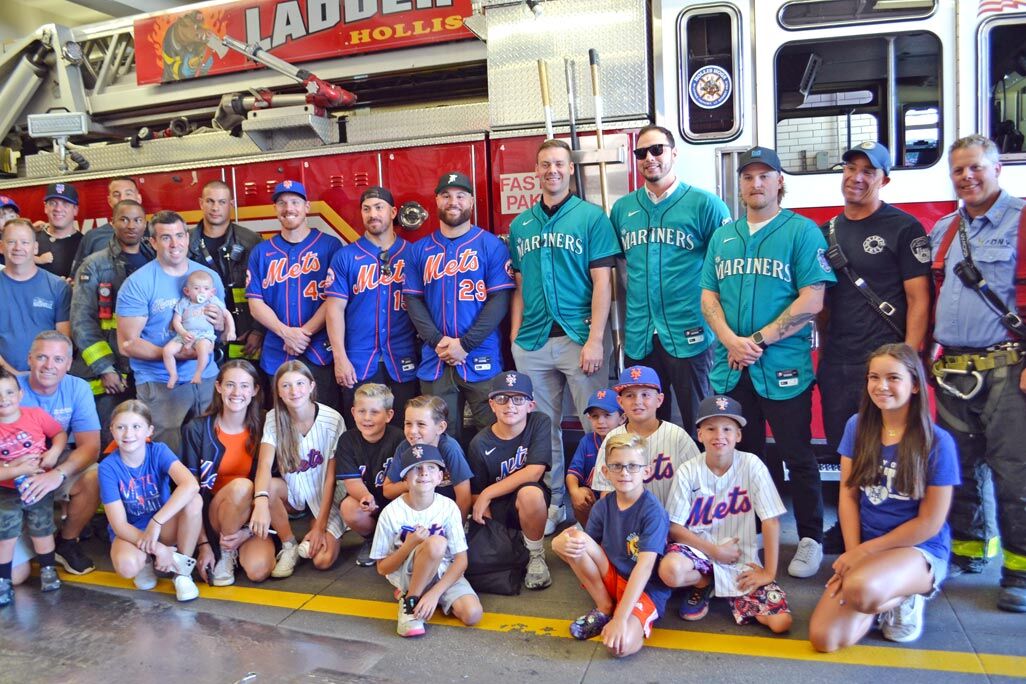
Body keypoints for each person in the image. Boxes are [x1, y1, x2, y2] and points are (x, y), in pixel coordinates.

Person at [700, 145, 836, 579]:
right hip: (732, 367)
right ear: (739, 185)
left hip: (784, 368)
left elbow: (813, 298)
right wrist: (729, 340)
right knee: (749, 455)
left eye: (764, 176)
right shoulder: (724, 236)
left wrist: (755, 341)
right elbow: (708, 295)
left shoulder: (802, 232)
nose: (755, 184)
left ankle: (811, 536)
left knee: (798, 454)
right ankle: (754, 530)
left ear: (780, 182)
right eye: (748, 176)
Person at [928, 134, 1026, 611]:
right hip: (952, 369)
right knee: (959, 469)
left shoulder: (1022, 220)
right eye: (958, 171)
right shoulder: (945, 229)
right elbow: (931, 296)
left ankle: (1019, 572)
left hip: (1008, 366)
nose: (966, 177)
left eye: (975, 168)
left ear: (997, 168)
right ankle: (969, 552)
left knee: (1015, 472)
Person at [817, 142, 931, 553]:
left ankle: (890, 530)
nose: (857, 177)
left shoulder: (904, 228)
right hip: (840, 360)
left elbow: (919, 298)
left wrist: (910, 359)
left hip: (886, 363)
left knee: (890, 446)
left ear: (884, 179)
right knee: (844, 447)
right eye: (850, 168)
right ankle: (849, 526)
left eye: (868, 171)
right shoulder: (827, 230)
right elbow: (823, 302)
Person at [809, 344, 959, 650]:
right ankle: (876, 595)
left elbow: (930, 523)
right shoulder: (858, 426)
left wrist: (863, 555)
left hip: (917, 549)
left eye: (893, 378)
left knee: (862, 589)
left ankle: (907, 597)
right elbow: (848, 497)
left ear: (915, 384)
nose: (882, 386)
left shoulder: (939, 442)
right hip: (868, 548)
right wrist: (854, 554)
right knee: (825, 639)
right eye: (874, 377)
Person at [509, 139, 620, 534]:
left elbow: (603, 282)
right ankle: (556, 499)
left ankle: (602, 503)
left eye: (559, 164)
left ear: (571, 170)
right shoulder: (520, 225)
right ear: (536, 171)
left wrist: (595, 339)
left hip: (579, 338)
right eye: (544, 164)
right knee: (543, 427)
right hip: (535, 341)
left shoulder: (592, 218)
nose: (551, 170)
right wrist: (515, 338)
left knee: (599, 426)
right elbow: (520, 286)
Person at [610, 125, 730, 432]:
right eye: (641, 153)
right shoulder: (623, 209)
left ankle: (698, 481)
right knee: (645, 424)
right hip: (641, 334)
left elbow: (724, 271)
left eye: (657, 150)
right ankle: (651, 480)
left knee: (699, 422)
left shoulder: (706, 204)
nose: (649, 158)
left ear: (673, 153)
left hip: (691, 333)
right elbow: (622, 268)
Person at [659, 395, 792, 633]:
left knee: (780, 624)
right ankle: (704, 581)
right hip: (698, 551)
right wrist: (714, 551)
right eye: (710, 428)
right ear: (700, 435)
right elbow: (675, 527)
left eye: (727, 429)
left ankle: (722, 587)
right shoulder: (688, 470)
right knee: (670, 571)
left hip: (738, 557)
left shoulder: (752, 465)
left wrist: (768, 572)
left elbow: (771, 520)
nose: (719, 435)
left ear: (738, 435)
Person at [403, 172, 514, 441]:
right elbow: (413, 300)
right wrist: (439, 341)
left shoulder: (491, 245)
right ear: (437, 202)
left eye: (460, 196)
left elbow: (499, 301)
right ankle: (443, 484)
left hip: (481, 356)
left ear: (471, 202)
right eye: (446, 195)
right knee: (437, 436)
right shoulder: (419, 250)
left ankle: (488, 485)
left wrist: (465, 345)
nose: (454, 201)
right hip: (435, 358)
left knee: (494, 434)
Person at [551, 432, 671, 658]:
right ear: (605, 472)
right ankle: (604, 607)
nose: (624, 472)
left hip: (644, 588)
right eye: (616, 466)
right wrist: (559, 543)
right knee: (573, 540)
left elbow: (644, 568)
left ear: (647, 471)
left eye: (633, 466)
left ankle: (619, 612)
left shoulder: (653, 512)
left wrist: (621, 619)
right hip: (613, 575)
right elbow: (585, 545)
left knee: (619, 647)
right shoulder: (602, 506)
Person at [116, 210, 226, 454]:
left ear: (187, 237)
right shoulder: (138, 284)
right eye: (166, 238)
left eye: (179, 235)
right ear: (153, 242)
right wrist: (174, 354)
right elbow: (127, 343)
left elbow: (219, 330)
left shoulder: (209, 279)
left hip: (206, 378)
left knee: (211, 449)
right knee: (168, 455)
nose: (175, 244)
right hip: (160, 382)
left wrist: (220, 323)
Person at [326, 186, 418, 429]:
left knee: (403, 427)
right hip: (358, 358)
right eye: (366, 209)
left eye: (379, 208)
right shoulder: (346, 256)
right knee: (361, 428)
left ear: (393, 212)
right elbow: (334, 308)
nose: (372, 214)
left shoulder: (413, 254)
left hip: (403, 355)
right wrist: (340, 358)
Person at [370, 442, 483, 637]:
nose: (423, 473)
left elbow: (461, 560)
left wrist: (435, 594)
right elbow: (382, 568)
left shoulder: (448, 507)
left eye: (431, 468)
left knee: (472, 614)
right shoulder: (391, 513)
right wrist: (409, 545)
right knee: (436, 543)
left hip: (442, 572)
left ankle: (426, 598)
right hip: (409, 573)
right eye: (416, 468)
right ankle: (411, 601)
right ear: (405, 478)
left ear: (440, 477)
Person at [246, 180, 343, 407]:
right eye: (281, 203)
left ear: (307, 207)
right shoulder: (261, 251)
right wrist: (286, 333)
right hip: (277, 350)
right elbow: (255, 303)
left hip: (319, 350)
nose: (288, 208)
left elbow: (335, 299)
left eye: (294, 202)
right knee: (281, 419)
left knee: (324, 417)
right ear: (275, 209)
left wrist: (302, 334)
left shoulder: (330, 246)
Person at [99, 399, 203, 602]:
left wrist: (156, 522)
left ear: (149, 430)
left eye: (136, 427)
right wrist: (159, 549)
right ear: (112, 430)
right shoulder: (107, 467)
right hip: (132, 531)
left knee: (194, 501)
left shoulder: (159, 451)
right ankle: (146, 560)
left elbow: (191, 484)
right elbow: (119, 525)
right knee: (127, 566)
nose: (128, 434)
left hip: (162, 524)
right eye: (121, 427)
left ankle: (182, 572)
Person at [250, 361, 346, 578]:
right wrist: (261, 501)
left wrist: (320, 526)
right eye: (286, 386)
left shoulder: (332, 419)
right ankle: (289, 544)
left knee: (322, 560)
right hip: (293, 493)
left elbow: (331, 477)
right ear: (278, 392)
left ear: (312, 386)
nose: (294, 391)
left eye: (300, 383)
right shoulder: (273, 419)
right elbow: (264, 464)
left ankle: (316, 526)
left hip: (326, 495)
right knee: (270, 487)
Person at [182, 360, 273, 586]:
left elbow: (276, 483)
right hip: (214, 515)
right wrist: (203, 545)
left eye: (244, 386)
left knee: (258, 570)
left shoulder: (265, 424)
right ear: (219, 387)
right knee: (242, 486)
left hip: (253, 517)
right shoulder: (197, 428)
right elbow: (190, 495)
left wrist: (248, 533)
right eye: (230, 385)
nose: (236, 392)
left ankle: (237, 545)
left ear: (255, 390)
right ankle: (224, 550)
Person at [18, 331, 102, 576]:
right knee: (17, 576)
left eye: (57, 359)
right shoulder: (10, 390)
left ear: (68, 364)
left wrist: (57, 474)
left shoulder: (78, 388)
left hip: (57, 460)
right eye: (41, 357)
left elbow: (91, 446)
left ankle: (66, 542)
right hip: (14, 470)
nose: (48, 366)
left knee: (95, 475)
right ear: (29, 359)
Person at [71, 199, 153, 447]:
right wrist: (105, 368)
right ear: (112, 223)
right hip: (112, 375)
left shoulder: (155, 261)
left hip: (146, 370)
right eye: (124, 219)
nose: (131, 226)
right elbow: (82, 322)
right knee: (110, 441)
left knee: (146, 437)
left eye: (137, 220)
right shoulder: (94, 265)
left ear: (145, 224)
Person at [467, 371, 553, 590]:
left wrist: (488, 492)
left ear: (530, 405)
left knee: (530, 492)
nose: (510, 405)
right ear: (492, 405)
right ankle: (511, 549)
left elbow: (534, 471)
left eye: (518, 399)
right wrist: (496, 535)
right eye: (501, 399)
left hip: (529, 503)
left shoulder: (539, 422)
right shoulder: (479, 443)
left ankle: (536, 555)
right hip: (497, 509)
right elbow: (477, 495)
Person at [0, 367, 68, 606]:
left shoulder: (35, 415)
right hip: (6, 491)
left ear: (20, 394)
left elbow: (58, 433)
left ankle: (48, 568)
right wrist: (17, 469)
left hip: (38, 486)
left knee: (42, 528)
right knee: (5, 534)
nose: (4, 399)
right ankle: (3, 579)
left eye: (9, 392)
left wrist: (55, 451)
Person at [590, 366, 701, 509]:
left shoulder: (678, 436)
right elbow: (606, 491)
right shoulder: (612, 438)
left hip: (673, 521)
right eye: (630, 395)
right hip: (627, 521)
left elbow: (698, 487)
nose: (637, 401)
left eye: (645, 395)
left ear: (659, 400)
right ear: (620, 402)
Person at [187, 180, 264, 363]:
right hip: (198, 334)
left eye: (222, 202)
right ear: (201, 203)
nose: (215, 207)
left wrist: (258, 329)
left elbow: (265, 289)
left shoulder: (251, 242)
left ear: (231, 204)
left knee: (243, 387)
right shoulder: (185, 242)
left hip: (244, 335)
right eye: (210, 201)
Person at [336, 383, 406, 567]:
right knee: (349, 508)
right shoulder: (347, 440)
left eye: (374, 412)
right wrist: (365, 496)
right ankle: (373, 540)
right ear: (353, 412)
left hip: (396, 504)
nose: (367, 418)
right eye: (361, 411)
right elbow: (352, 481)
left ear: (388, 415)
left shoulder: (400, 439)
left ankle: (396, 542)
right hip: (369, 506)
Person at [381, 395, 473, 519]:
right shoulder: (405, 447)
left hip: (446, 514)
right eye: (408, 424)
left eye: (421, 424)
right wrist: (415, 483)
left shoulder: (449, 449)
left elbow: (464, 498)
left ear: (440, 427)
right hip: (415, 514)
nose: (412, 431)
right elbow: (387, 491)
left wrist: (455, 532)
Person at [0, 219, 71, 374]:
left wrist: (41, 375)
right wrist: (14, 375)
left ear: (35, 247)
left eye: (25, 242)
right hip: (2, 382)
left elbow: (63, 341)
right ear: (1, 246)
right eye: (11, 241)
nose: (18, 247)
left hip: (47, 378)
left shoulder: (58, 286)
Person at [163, 270, 235, 388]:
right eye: (196, 288)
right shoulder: (184, 303)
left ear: (212, 292)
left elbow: (227, 315)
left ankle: (198, 373)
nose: (201, 292)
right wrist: (183, 332)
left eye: (206, 289)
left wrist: (231, 331)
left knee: (203, 350)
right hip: (184, 335)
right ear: (187, 291)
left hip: (204, 335)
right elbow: (176, 321)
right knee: (167, 351)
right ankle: (173, 374)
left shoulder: (213, 301)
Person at [566, 388, 622, 526]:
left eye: (607, 415)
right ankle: (590, 532)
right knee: (582, 493)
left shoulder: (626, 441)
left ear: (622, 418)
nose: (600, 421)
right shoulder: (587, 440)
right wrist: (574, 491)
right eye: (595, 416)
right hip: (593, 495)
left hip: (617, 496)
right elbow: (572, 473)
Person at [70, 177, 147, 276]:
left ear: (138, 198)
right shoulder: (92, 237)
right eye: (116, 194)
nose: (122, 198)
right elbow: (77, 278)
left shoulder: (154, 233)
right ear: (109, 200)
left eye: (128, 193)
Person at [36, 183, 83, 280]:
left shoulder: (84, 243)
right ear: (45, 208)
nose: (58, 209)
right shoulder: (30, 240)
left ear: (75, 210)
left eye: (65, 204)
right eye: (53, 203)